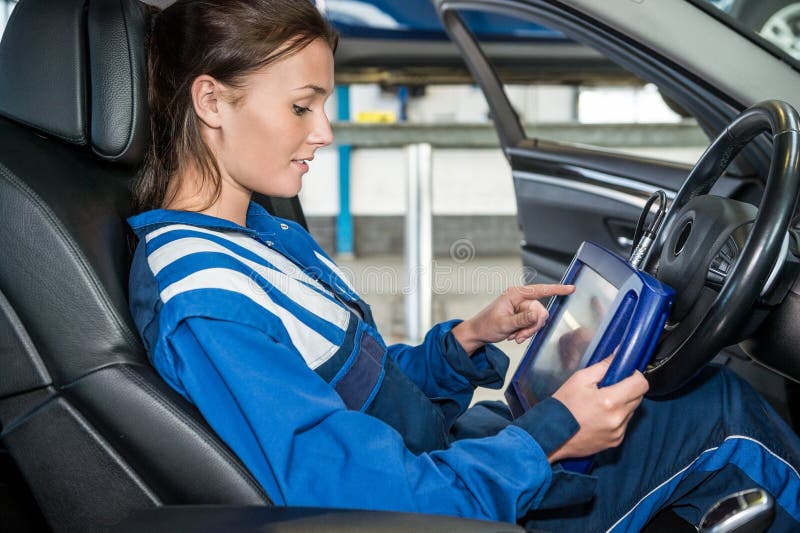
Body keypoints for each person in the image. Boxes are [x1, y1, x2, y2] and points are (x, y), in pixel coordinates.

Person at [127, 1, 800, 530]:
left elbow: (361, 391)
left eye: (324, 106)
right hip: (461, 508)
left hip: (457, 458)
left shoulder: (254, 239)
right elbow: (355, 497)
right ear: (211, 101)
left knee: (680, 390)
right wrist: (556, 433)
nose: (324, 131)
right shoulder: (207, 297)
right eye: (302, 105)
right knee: (720, 412)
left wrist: (463, 343)